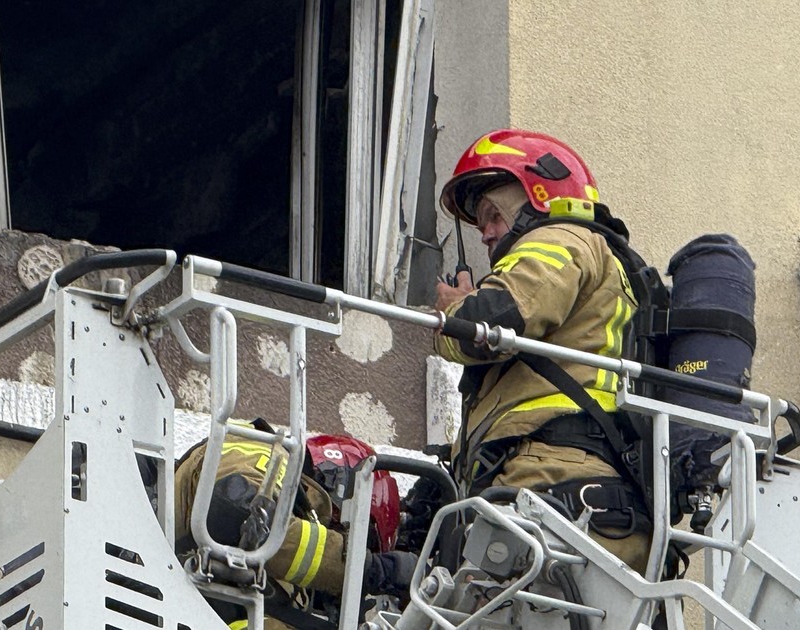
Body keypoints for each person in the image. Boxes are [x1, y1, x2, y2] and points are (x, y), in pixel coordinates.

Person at [431, 128, 651, 572]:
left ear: (540, 196)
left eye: (494, 215)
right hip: (568, 505)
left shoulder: (561, 238)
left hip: (552, 489)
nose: (487, 235)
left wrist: (451, 312)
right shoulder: (586, 258)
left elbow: (490, 321)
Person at [174, 421, 417, 625]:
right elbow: (235, 511)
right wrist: (370, 569)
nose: (344, 542)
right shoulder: (269, 452)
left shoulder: (280, 563)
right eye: (354, 540)